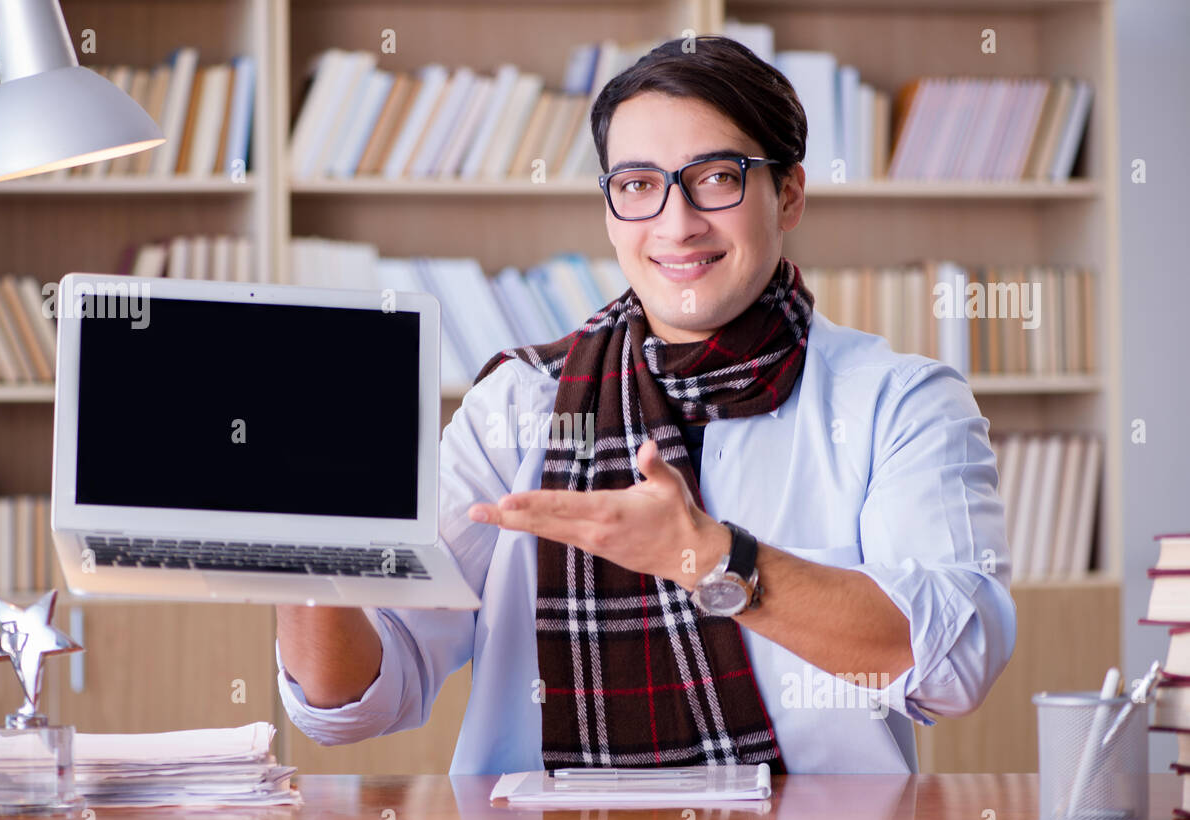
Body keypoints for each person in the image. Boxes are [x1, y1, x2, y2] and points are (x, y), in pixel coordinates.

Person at [275, 35, 1016, 773]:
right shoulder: (521, 405)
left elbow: (956, 666)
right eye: (637, 185)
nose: (676, 222)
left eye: (716, 177)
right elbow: (356, 699)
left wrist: (716, 561)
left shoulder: (900, 400)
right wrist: (309, 551)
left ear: (787, 194)